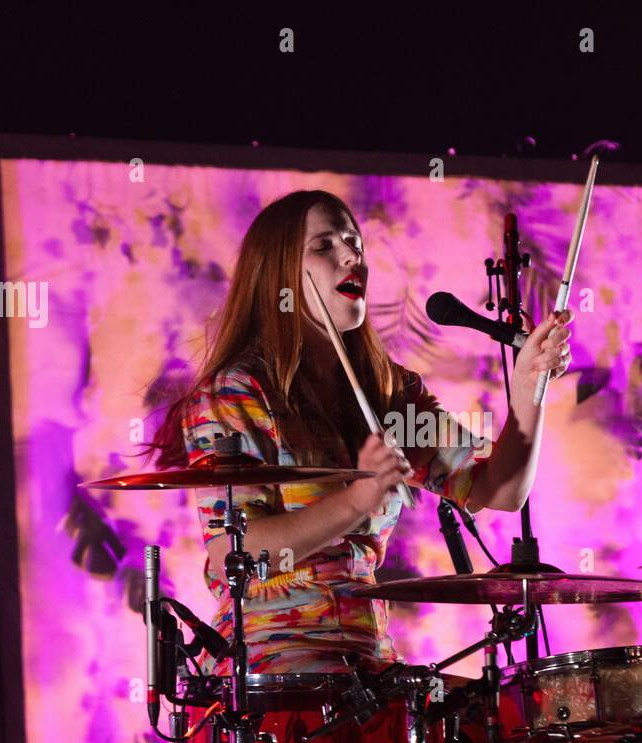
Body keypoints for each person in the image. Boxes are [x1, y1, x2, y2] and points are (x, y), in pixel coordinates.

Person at [149, 189, 571, 675]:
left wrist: (528, 388)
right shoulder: (237, 391)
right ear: (278, 276)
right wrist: (356, 499)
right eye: (324, 245)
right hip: (269, 667)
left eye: (354, 242)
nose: (352, 256)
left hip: (367, 660)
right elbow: (233, 555)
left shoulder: (387, 390)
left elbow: (502, 487)